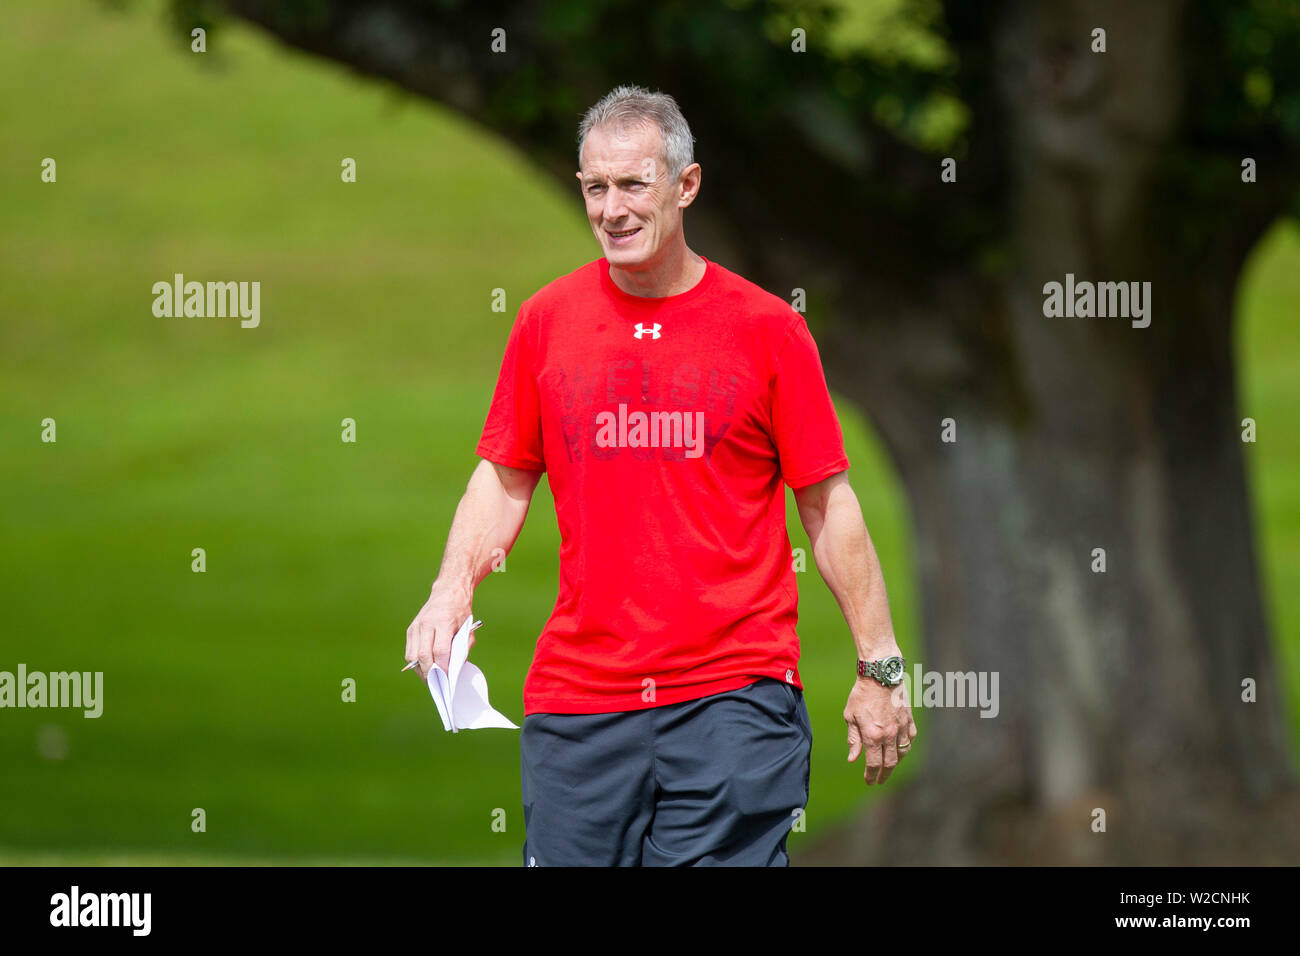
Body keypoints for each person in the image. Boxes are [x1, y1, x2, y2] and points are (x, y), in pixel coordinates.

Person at [405, 85, 916, 866]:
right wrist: (451, 589)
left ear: (686, 185)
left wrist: (879, 667)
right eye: (595, 187)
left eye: (633, 184)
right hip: (580, 700)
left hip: (733, 697)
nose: (612, 208)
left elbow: (828, 505)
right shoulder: (548, 321)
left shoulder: (768, 331)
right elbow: (505, 475)